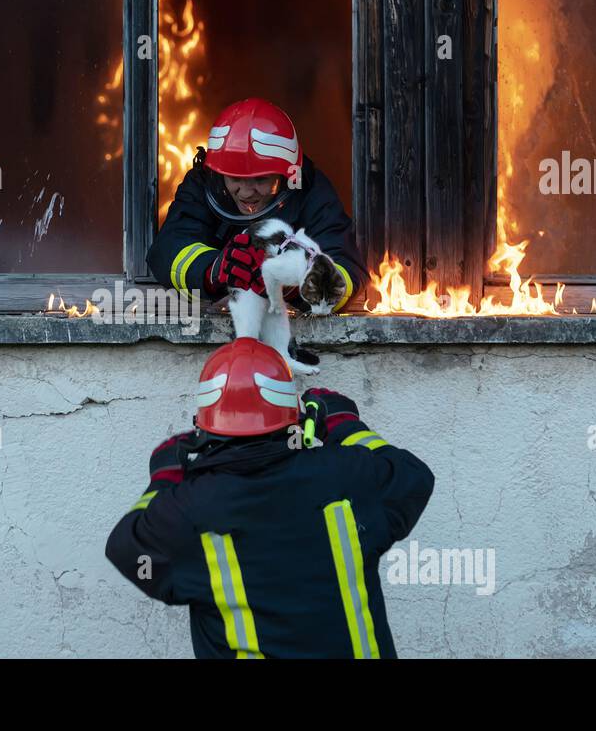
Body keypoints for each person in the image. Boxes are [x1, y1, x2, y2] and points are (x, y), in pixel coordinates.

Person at [104, 337, 435, 658]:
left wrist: (164, 478)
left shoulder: (190, 509)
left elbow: (129, 554)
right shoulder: (346, 475)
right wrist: (343, 424)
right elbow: (413, 478)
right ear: (293, 418)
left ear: (204, 426)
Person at [147, 98, 365, 313]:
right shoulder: (202, 185)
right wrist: (213, 270)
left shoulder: (310, 191)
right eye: (234, 179)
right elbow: (168, 250)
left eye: (260, 180)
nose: (246, 192)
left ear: (288, 176)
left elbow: (348, 271)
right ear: (217, 173)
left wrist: (297, 285)